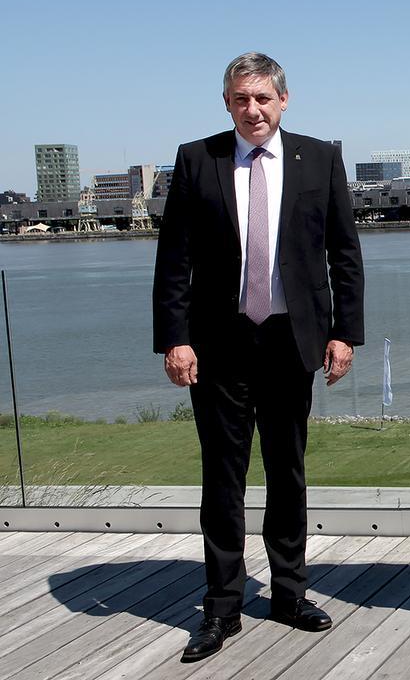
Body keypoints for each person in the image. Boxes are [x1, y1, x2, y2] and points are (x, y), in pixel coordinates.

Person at [153, 52, 364, 662]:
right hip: (217, 345)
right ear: (227, 104)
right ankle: (221, 607)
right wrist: (175, 338)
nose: (253, 110)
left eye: (263, 98)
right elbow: (174, 261)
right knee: (222, 476)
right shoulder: (198, 160)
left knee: (286, 469)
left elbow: (343, 255)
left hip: (291, 341)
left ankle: (289, 592)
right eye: (241, 99)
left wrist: (344, 332)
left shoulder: (320, 159)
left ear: (284, 100)